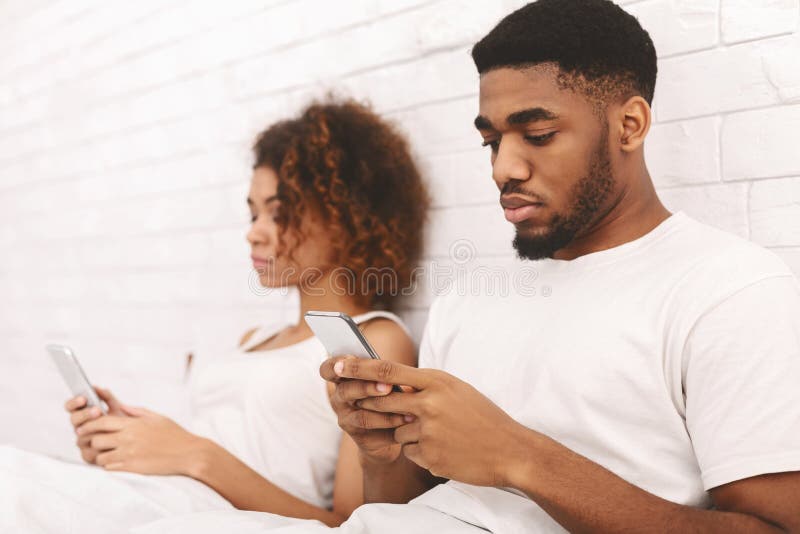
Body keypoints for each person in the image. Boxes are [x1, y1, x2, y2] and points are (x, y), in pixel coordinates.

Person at [129, 1, 800, 533]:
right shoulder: (469, 299)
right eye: (492, 139)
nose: (504, 167)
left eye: (537, 135)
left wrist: (519, 456)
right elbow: (400, 503)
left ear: (630, 125)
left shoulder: (728, 293)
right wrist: (377, 446)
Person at [0, 98, 428, 533]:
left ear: (346, 216)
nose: (254, 232)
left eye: (279, 213)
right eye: (253, 211)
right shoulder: (253, 337)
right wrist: (129, 440)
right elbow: (217, 443)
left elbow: (353, 523)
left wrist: (192, 454)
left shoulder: (377, 339)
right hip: (160, 496)